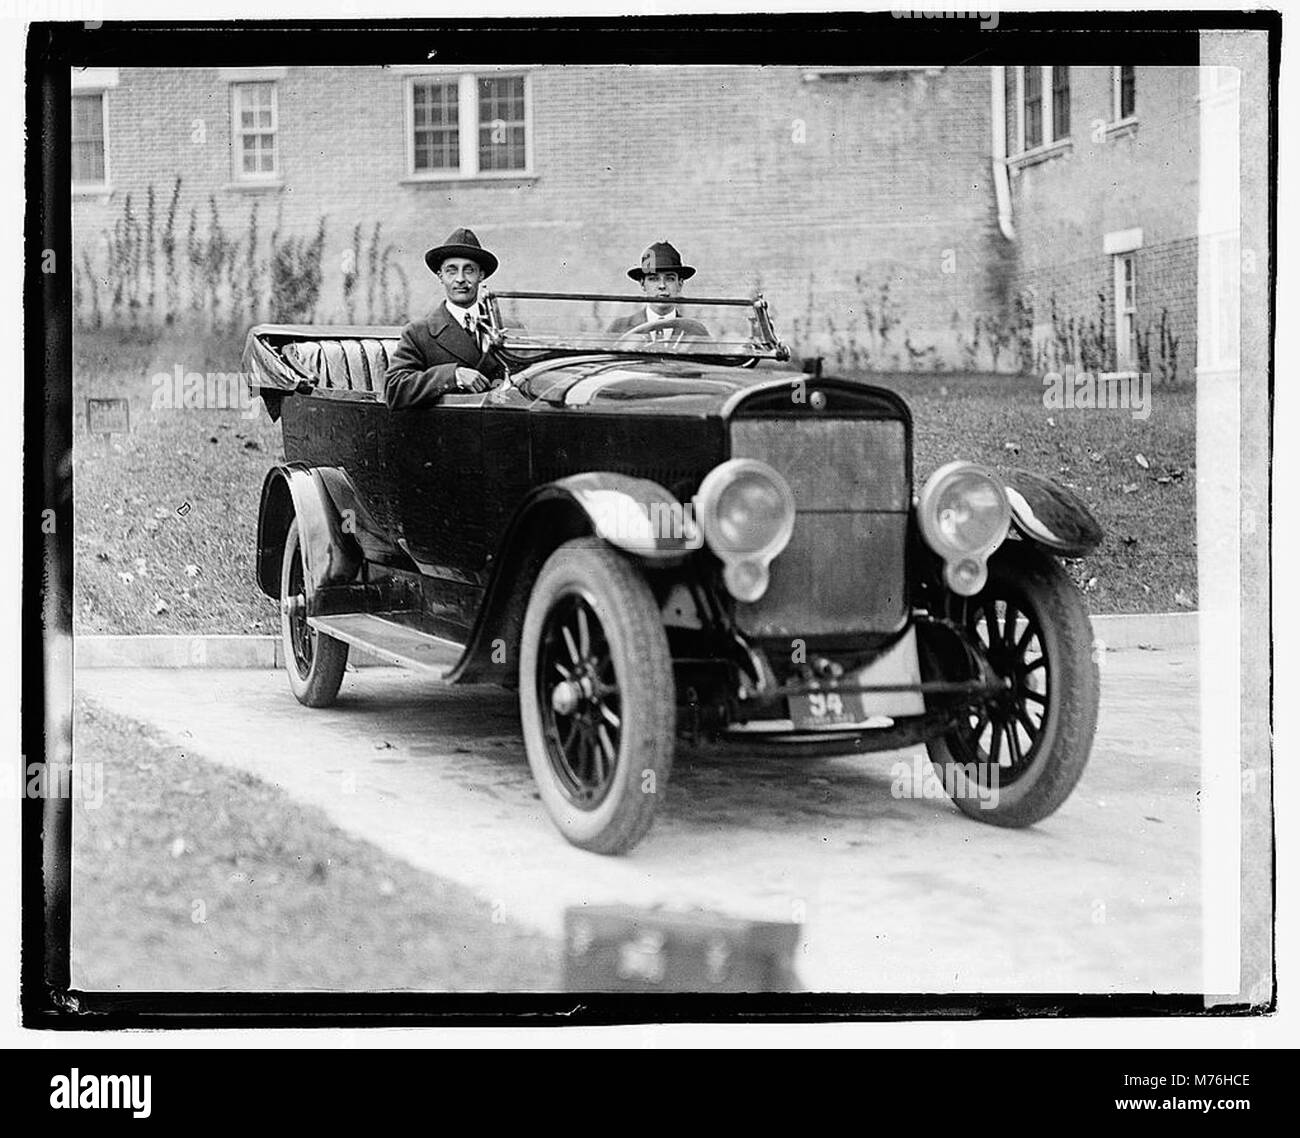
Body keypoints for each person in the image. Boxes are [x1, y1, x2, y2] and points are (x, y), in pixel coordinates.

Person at [383, 227, 506, 409]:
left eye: (469, 270)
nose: (460, 279)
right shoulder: (419, 333)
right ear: (440, 276)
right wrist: (453, 376)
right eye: (451, 271)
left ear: (481, 275)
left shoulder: (505, 328)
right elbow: (394, 389)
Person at [606, 241, 699, 339]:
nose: (662, 286)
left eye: (669, 279)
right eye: (653, 279)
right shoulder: (620, 329)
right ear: (643, 284)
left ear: (679, 284)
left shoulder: (695, 332)